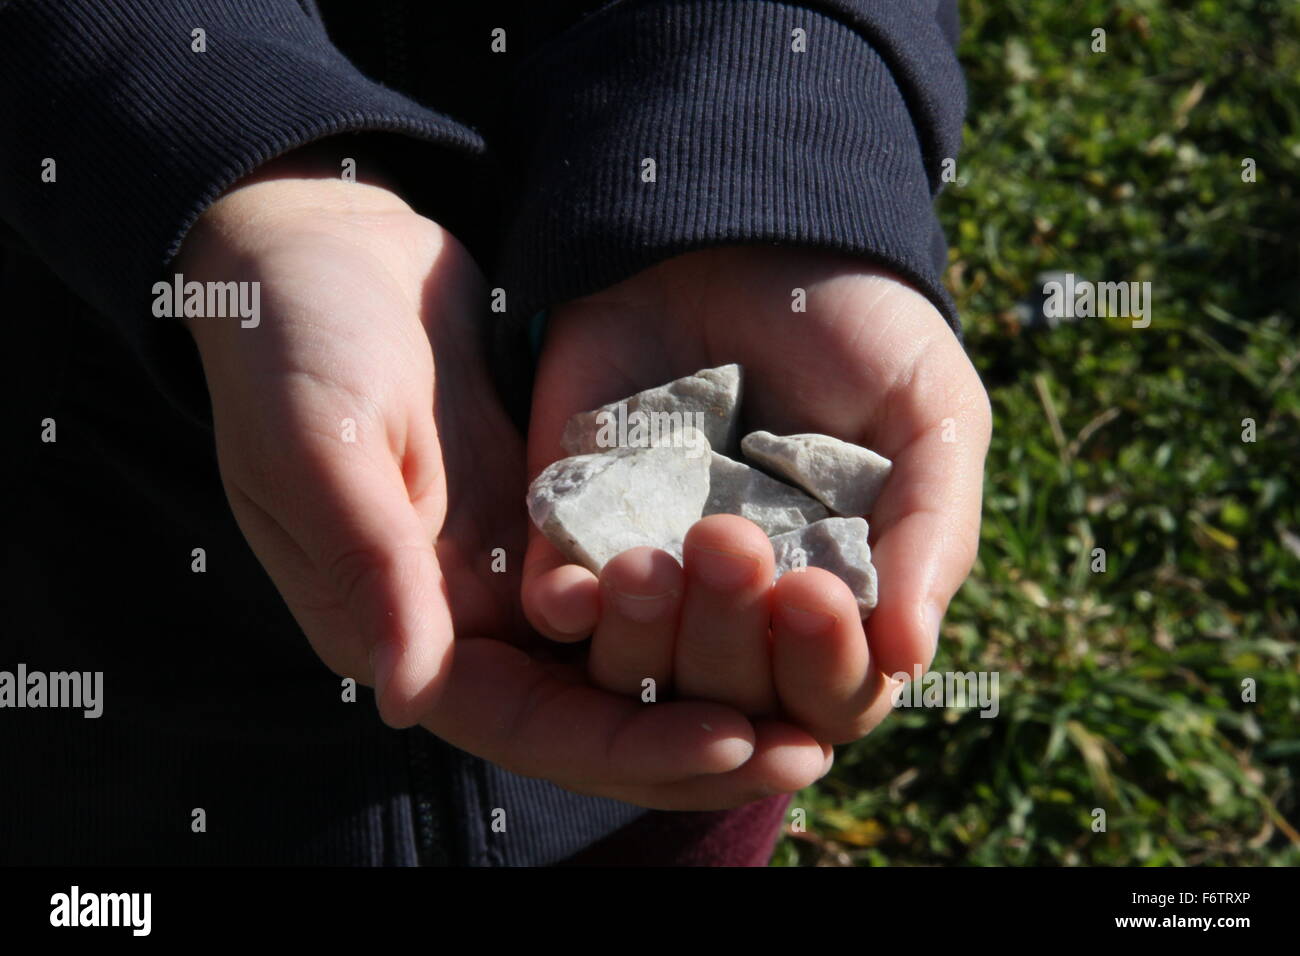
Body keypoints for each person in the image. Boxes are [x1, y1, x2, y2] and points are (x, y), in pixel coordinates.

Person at [1, 0, 990, 865]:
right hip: (121, 640)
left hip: (640, 783)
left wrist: (766, 132)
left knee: (695, 780)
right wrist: (237, 163)